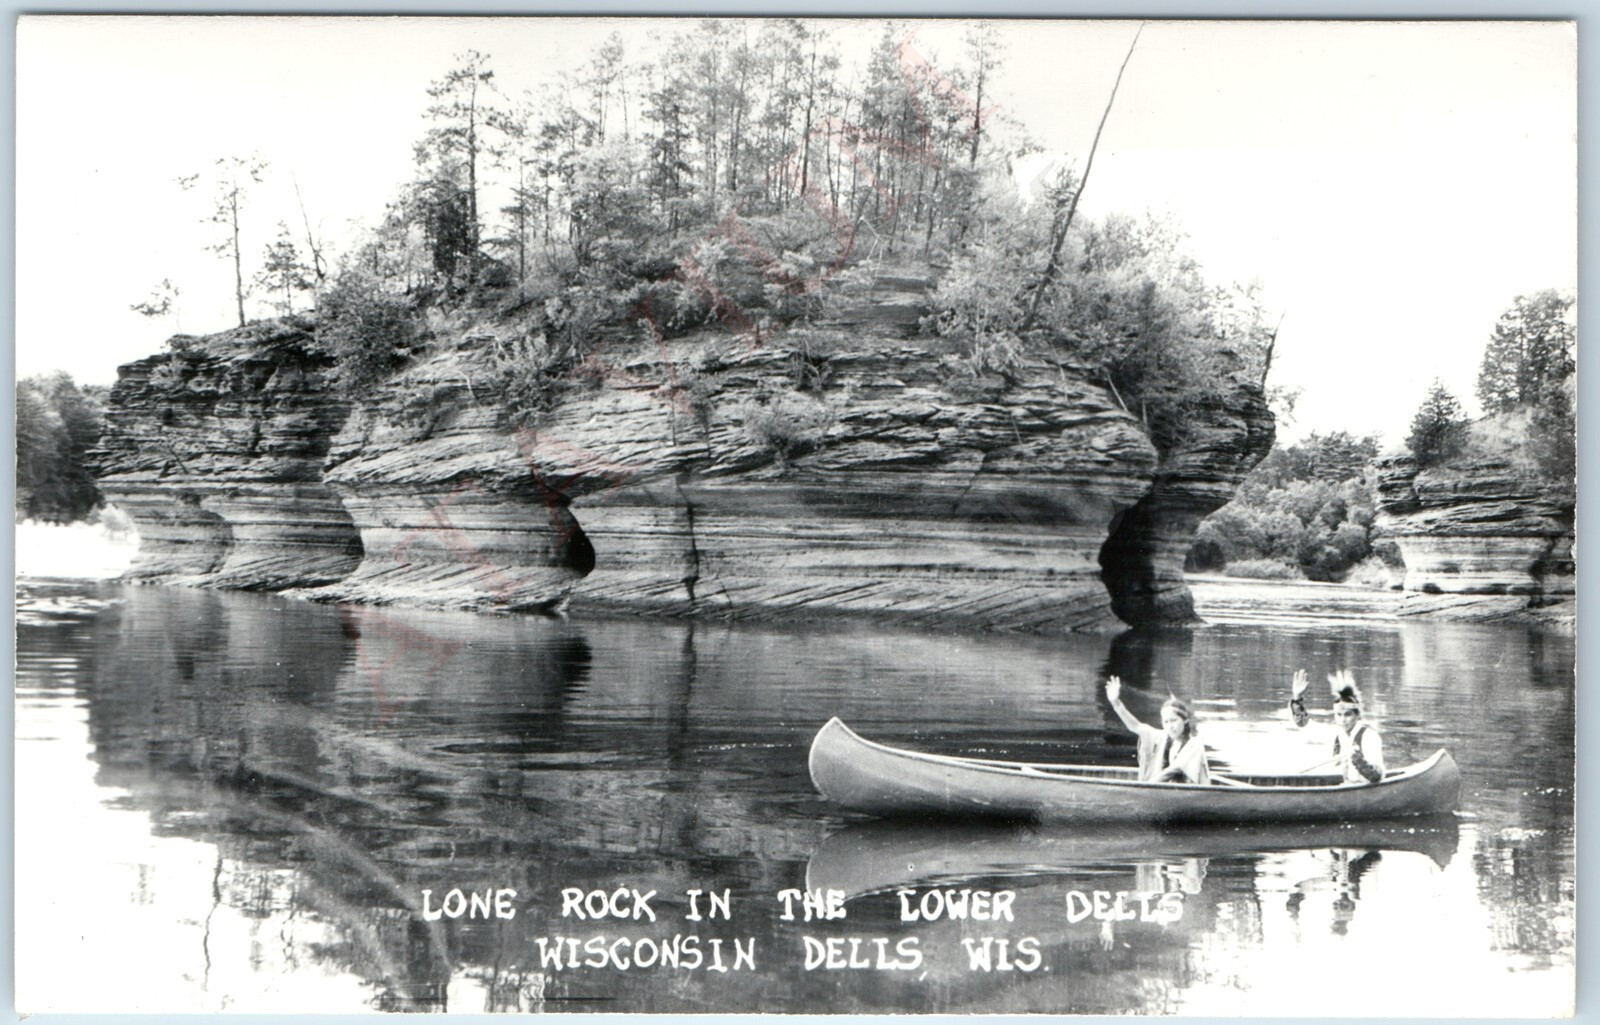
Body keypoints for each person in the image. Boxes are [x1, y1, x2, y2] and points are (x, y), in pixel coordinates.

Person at [1104, 675, 1211, 784]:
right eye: (1166, 722)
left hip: (1191, 795)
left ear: (1185, 720)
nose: (1170, 726)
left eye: (1174, 720)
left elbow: (1173, 771)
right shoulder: (1161, 737)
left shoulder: (1195, 745)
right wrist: (1116, 703)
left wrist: (1145, 788)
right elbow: (1135, 726)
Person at [1290, 669, 1385, 784]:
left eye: (1348, 715)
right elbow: (1305, 725)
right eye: (1339, 715)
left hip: (1364, 790)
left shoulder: (1369, 736)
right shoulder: (1337, 733)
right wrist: (1296, 697)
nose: (1343, 720)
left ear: (1357, 715)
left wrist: (1359, 761)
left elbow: (1377, 776)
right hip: (1345, 786)